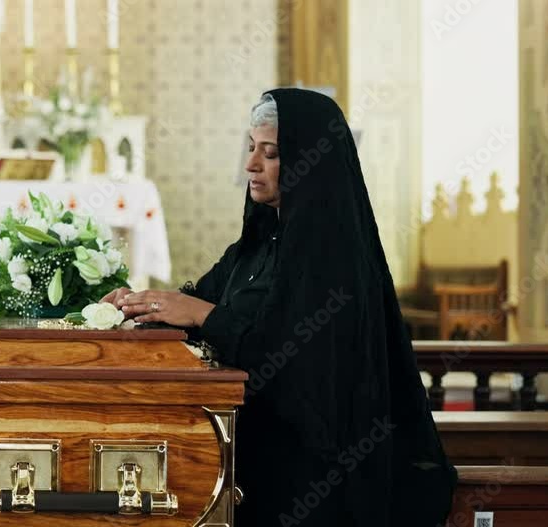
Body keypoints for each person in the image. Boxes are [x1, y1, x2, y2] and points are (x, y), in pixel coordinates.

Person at [101, 88, 456, 526]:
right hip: (248, 455)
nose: (251, 164)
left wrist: (202, 315)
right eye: (251, 148)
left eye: (269, 153)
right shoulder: (256, 244)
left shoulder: (334, 255)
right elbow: (194, 305)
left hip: (311, 478)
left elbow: (301, 367)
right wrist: (135, 306)